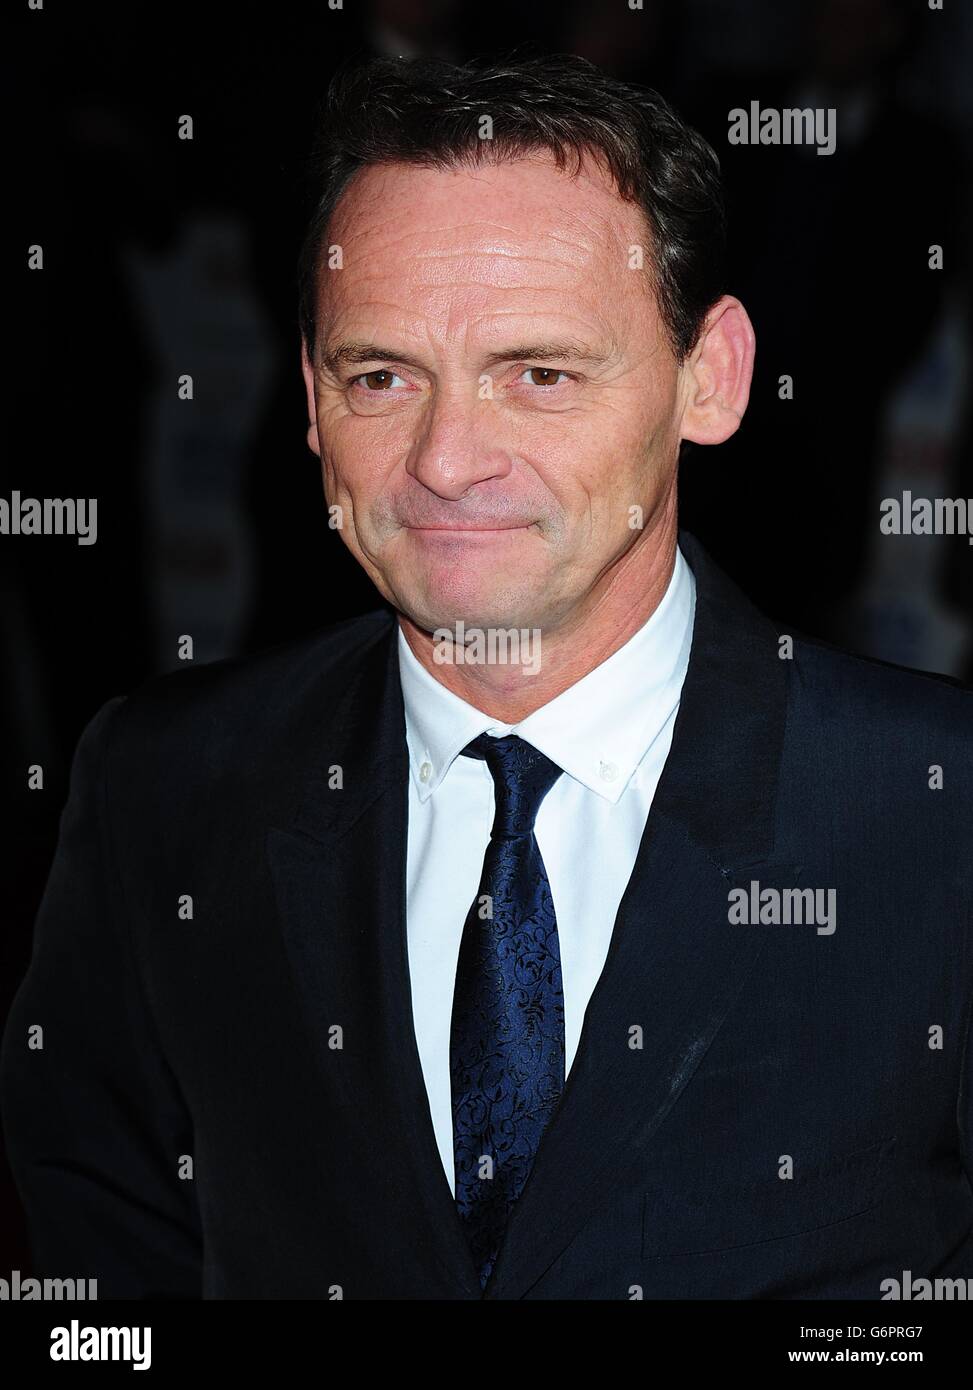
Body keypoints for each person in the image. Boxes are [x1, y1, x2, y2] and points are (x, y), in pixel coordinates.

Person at [2, 55, 971, 1300]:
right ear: (309, 398)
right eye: (382, 376)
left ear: (709, 377)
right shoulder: (163, 787)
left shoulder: (936, 816)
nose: (447, 460)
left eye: (540, 374)